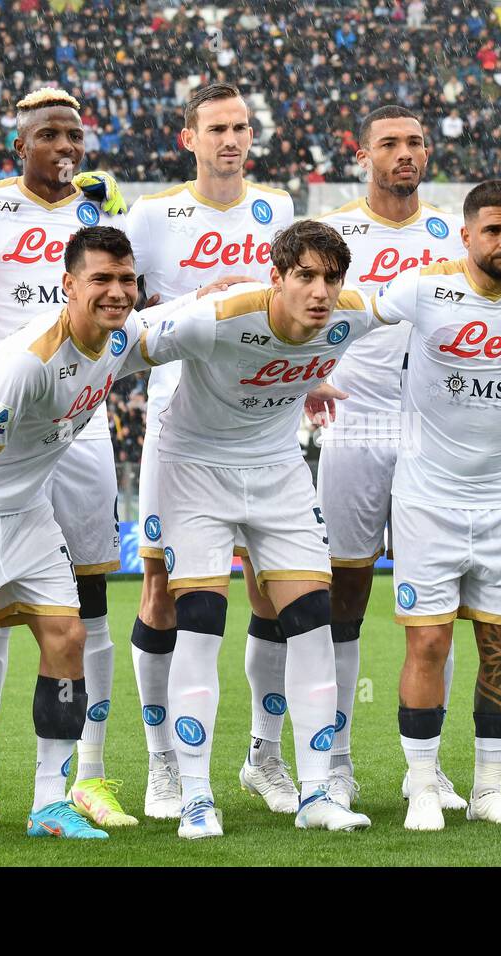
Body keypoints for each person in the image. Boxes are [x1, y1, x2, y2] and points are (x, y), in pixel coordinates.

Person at [0, 226, 188, 850]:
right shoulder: (29, 358)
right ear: (68, 286)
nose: (117, 293)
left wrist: (219, 295)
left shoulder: (117, 337)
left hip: (26, 504)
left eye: (126, 280)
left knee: (66, 637)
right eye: (101, 280)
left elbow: (171, 324)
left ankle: (48, 803)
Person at [0, 87, 134, 833]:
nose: (65, 147)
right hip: (2, 432)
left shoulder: (99, 213)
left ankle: (89, 775)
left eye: (74, 135)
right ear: (20, 143)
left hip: (81, 430)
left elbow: (125, 301)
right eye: (49, 135)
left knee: (85, 603)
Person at [148, 220, 377, 838]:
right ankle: (196, 796)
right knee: (200, 624)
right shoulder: (215, 317)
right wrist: (189, 299)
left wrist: (306, 375)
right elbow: (119, 338)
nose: (321, 291)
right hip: (195, 470)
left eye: (331, 277)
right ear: (274, 279)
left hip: (278, 472)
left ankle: (317, 791)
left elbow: (437, 297)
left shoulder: (352, 315)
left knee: (312, 625)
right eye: (304, 275)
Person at [123, 83, 297, 819]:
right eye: (218, 128)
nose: (233, 139)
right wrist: (206, 300)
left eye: (243, 127)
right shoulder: (152, 216)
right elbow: (120, 317)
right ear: (186, 136)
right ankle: (165, 764)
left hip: (264, 422)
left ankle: (265, 755)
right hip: (179, 427)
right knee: (164, 595)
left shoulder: (279, 209)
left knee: (274, 593)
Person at [373, 180, 501, 832]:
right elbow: (352, 315)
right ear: (467, 234)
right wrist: (319, 376)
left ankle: (488, 791)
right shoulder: (424, 289)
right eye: (494, 230)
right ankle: (423, 785)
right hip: (426, 497)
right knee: (427, 642)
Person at [312, 105, 464, 809]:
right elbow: (294, 310)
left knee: (439, 595)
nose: (404, 154)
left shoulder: (448, 232)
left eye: (414, 143)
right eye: (390, 144)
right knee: (345, 589)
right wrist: (310, 372)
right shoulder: (336, 229)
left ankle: (426, 768)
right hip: (357, 419)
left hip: (432, 427)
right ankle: (336, 761)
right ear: (363, 152)